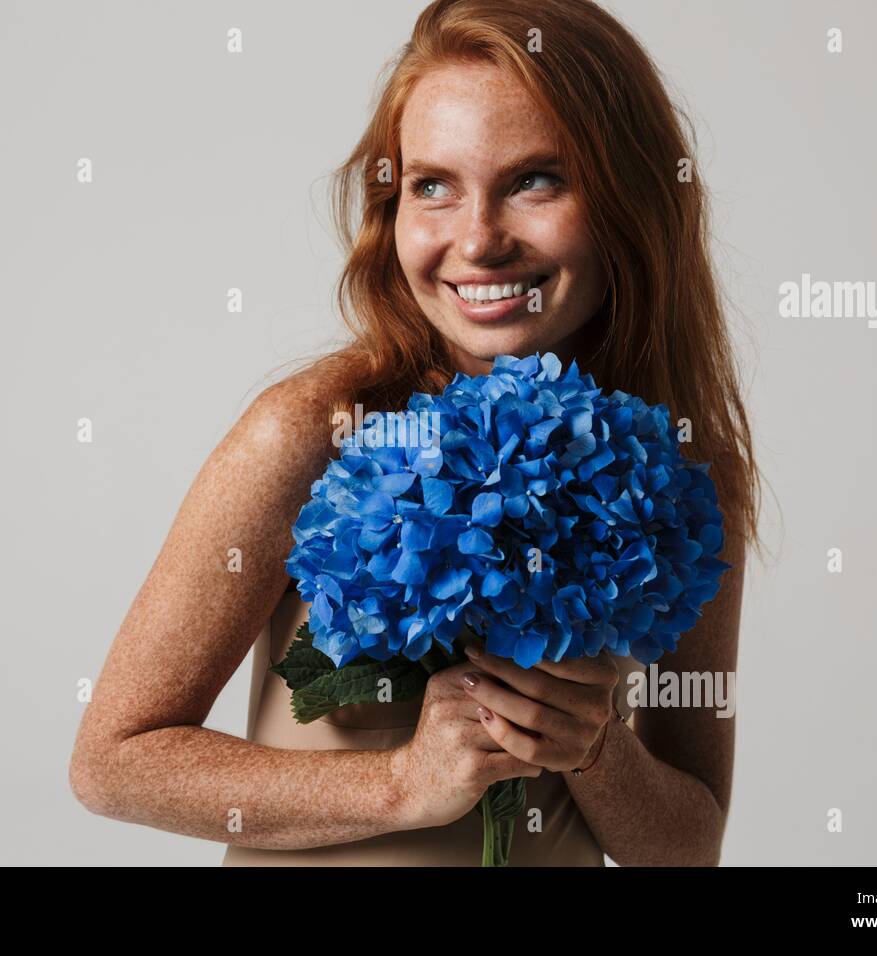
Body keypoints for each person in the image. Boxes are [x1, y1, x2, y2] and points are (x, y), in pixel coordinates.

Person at [68, 0, 762, 866]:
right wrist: (399, 784)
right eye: (432, 186)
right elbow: (114, 762)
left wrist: (595, 747)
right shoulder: (312, 434)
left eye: (535, 179)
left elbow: (690, 845)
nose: (477, 241)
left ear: (631, 198)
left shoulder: (683, 477)